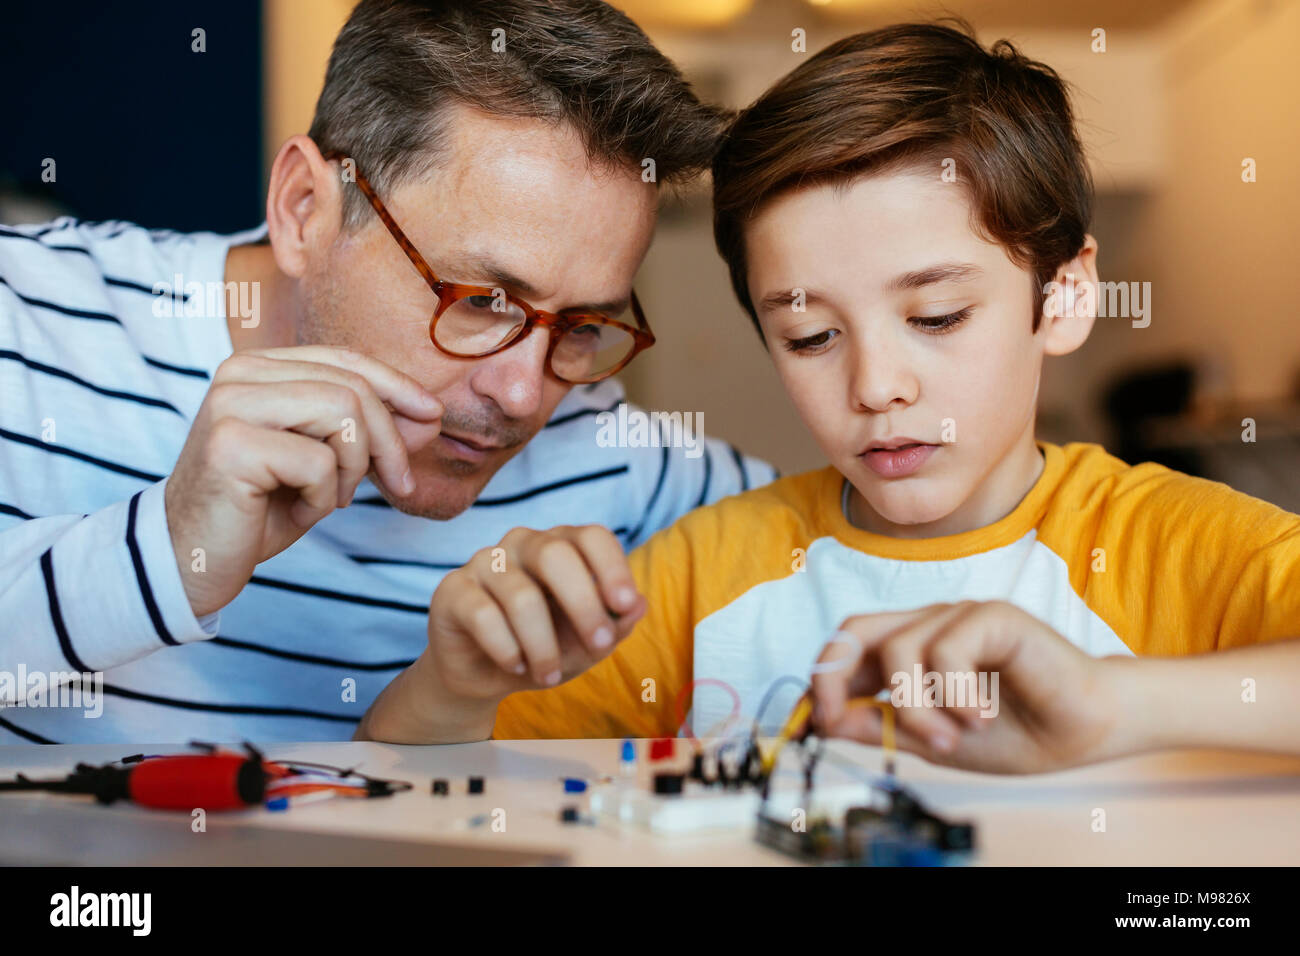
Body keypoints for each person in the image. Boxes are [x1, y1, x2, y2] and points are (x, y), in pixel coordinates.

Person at [362, 22, 1300, 772]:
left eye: (936, 316)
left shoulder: (1193, 552)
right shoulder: (701, 577)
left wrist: (1113, 704)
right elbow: (401, 791)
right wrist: (455, 685)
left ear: (1064, 296)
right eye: (811, 337)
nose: (877, 388)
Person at [0, 0, 774, 744]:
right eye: (483, 300)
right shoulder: (26, 317)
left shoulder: (620, 458)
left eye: (583, 325)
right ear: (306, 209)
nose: (523, 394)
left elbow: (844, 540)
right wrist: (163, 553)